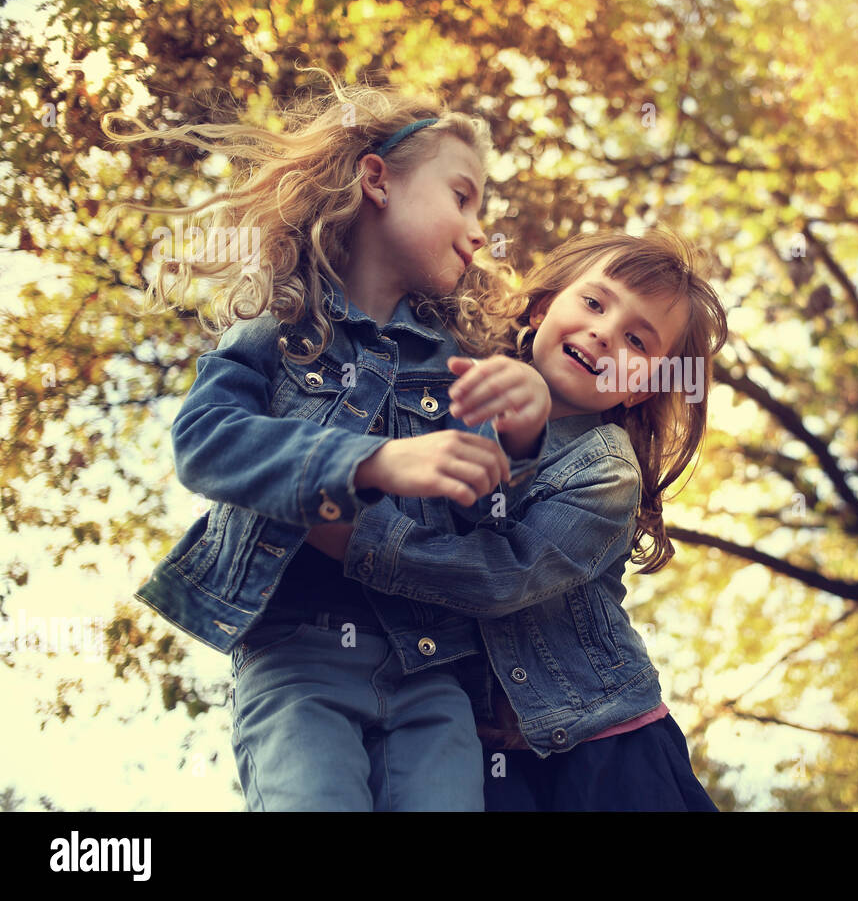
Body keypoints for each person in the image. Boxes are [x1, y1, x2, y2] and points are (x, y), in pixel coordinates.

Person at [105, 68, 552, 810]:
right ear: (377, 181)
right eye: (462, 196)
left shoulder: (459, 362)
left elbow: (485, 519)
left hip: (432, 673)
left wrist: (524, 432)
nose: (480, 230)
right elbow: (207, 441)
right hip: (298, 656)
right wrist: (373, 459)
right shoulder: (279, 330)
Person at [307, 228, 730, 810]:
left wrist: (361, 542)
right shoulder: (447, 392)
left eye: (637, 339)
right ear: (540, 309)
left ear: (640, 391)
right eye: (593, 303)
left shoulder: (607, 471)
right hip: (484, 743)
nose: (604, 334)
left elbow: (500, 577)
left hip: (603, 734)